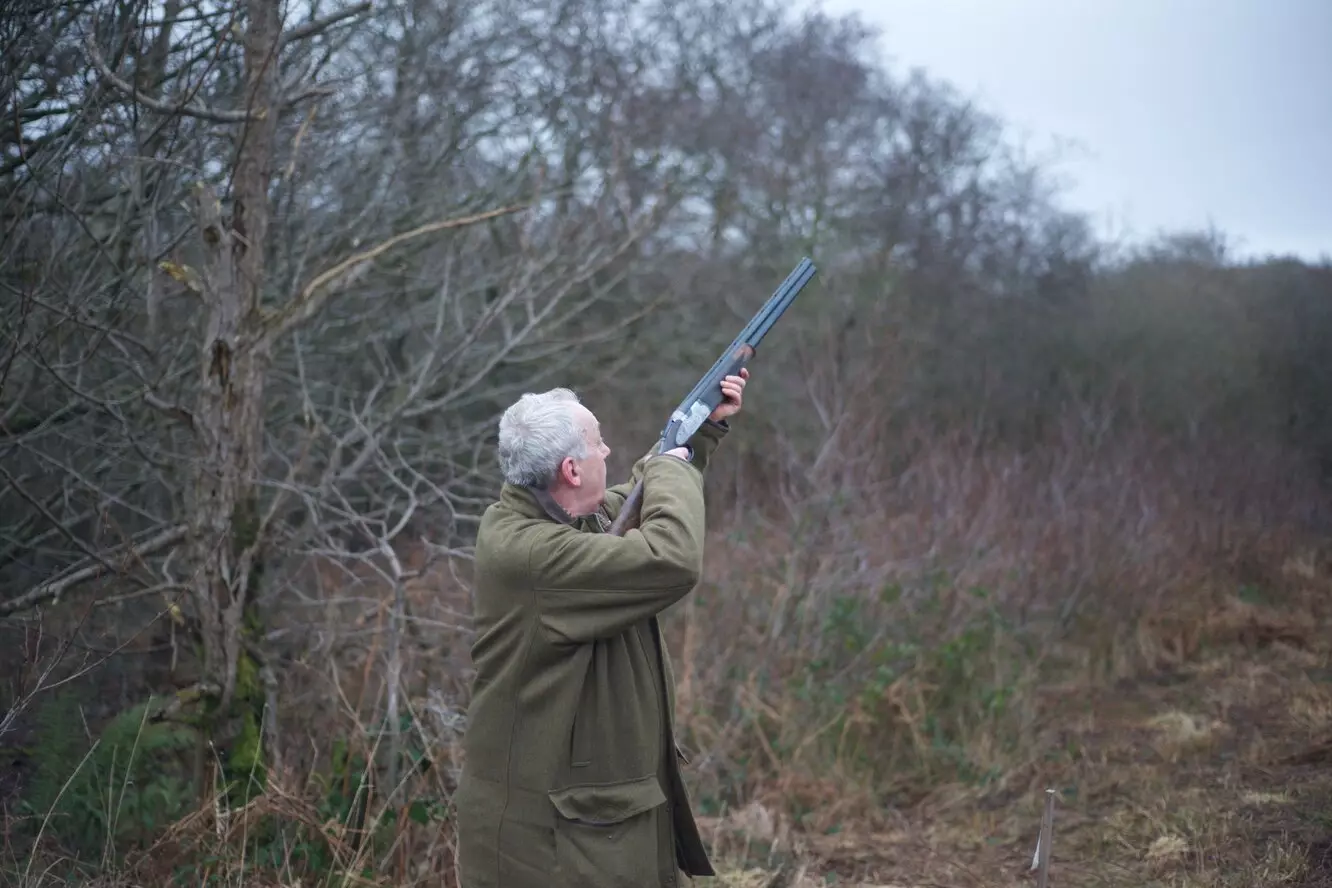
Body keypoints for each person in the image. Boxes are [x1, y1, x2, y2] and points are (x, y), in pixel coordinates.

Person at [454, 370, 750, 888]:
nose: (609, 450)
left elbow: (633, 497)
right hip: (556, 845)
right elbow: (671, 556)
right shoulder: (532, 554)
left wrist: (698, 432)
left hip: (592, 827)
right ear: (571, 469)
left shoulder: (565, 521)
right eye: (597, 444)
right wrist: (672, 470)